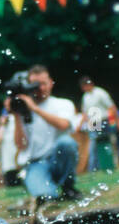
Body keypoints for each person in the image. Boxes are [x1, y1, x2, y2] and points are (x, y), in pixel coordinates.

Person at [12, 65, 79, 201]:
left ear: (51, 83)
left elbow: (63, 125)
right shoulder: (22, 110)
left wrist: (35, 109)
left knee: (67, 143)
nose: (40, 88)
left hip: (58, 158)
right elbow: (21, 145)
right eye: (35, 85)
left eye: (43, 83)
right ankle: (43, 187)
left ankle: (68, 186)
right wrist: (16, 115)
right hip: (37, 163)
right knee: (46, 196)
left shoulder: (63, 104)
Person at [78, 76, 118, 171]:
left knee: (108, 143)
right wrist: (80, 125)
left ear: (90, 84)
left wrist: (115, 120)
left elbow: (111, 107)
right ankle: (96, 167)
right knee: (95, 145)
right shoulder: (85, 97)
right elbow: (85, 113)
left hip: (103, 121)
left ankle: (113, 164)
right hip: (93, 123)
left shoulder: (100, 93)